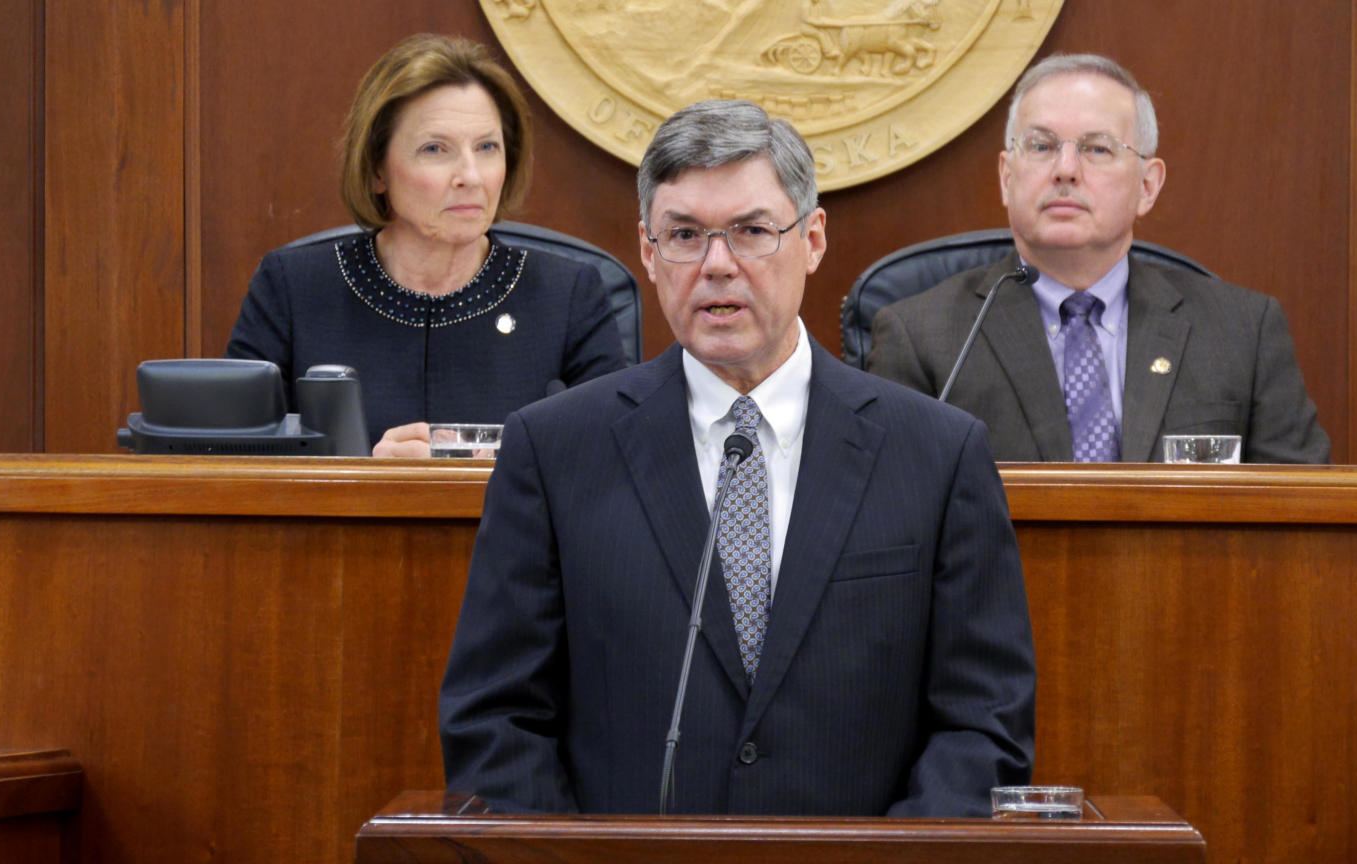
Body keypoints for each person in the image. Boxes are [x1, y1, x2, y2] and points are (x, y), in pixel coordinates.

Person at [438, 100, 1035, 816]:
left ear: (812, 238)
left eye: (751, 231)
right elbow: (496, 722)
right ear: (648, 251)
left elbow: (984, 724)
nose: (717, 265)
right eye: (685, 234)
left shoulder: (938, 454)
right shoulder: (554, 449)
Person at [868, 54, 1331, 464]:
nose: (1066, 169)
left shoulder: (1241, 334)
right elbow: (891, 521)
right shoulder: (922, 338)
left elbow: (1304, 520)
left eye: (1096, 148)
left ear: (1147, 186)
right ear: (1007, 178)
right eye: (1042, 146)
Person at [226, 34, 625, 454]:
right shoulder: (292, 289)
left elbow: (620, 458)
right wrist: (363, 480)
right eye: (436, 149)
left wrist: (497, 461)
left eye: (487, 147)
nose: (470, 175)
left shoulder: (568, 295)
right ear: (378, 168)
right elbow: (230, 461)